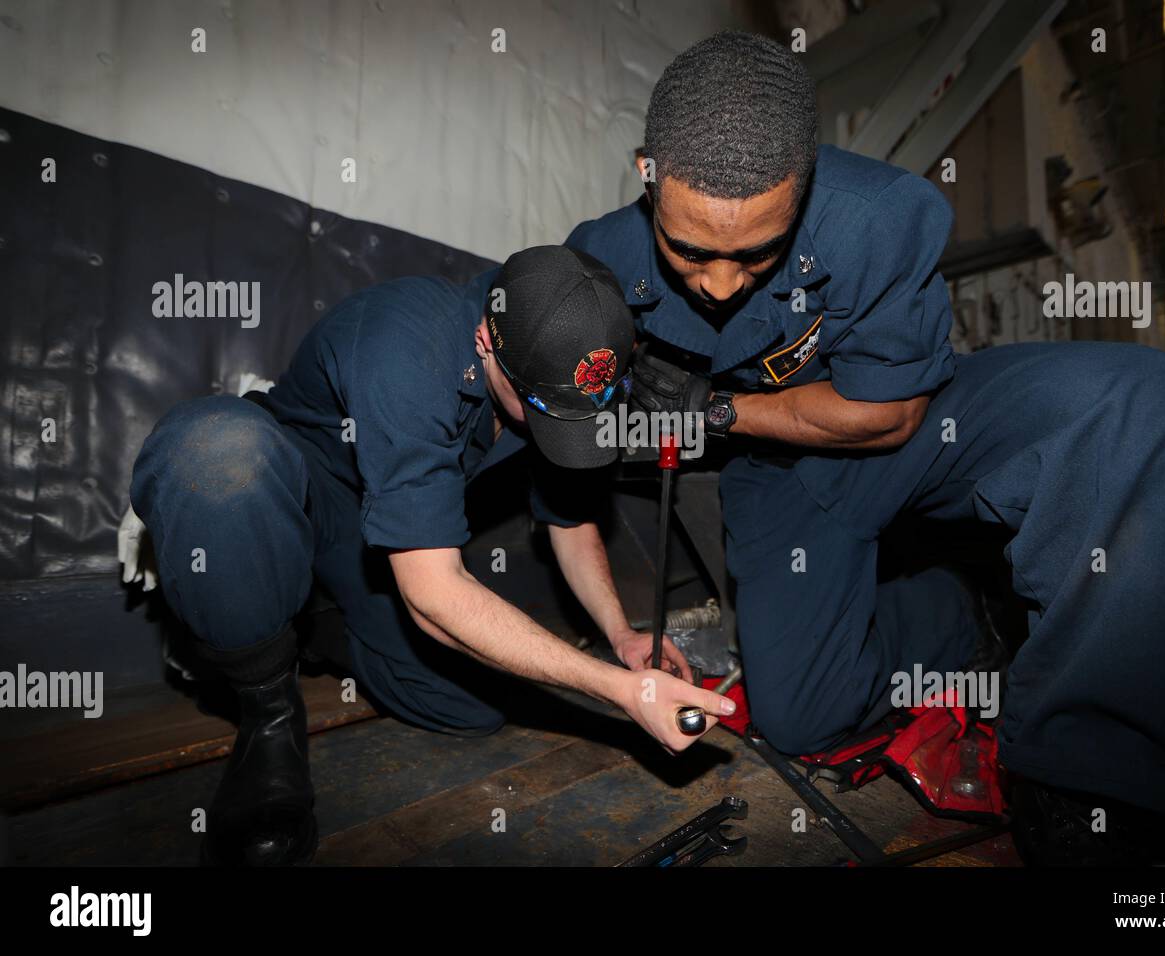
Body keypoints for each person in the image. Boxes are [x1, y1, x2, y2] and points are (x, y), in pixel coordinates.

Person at [566, 31, 1165, 865]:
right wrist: (626, 390)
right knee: (804, 718)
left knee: (1140, 399)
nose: (720, 284)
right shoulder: (600, 257)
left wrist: (714, 409)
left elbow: (890, 417)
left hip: (901, 433)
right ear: (646, 170)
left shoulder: (881, 215)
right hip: (778, 480)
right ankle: (951, 616)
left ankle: (1086, 779)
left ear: (804, 184)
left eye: (754, 252)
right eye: (691, 250)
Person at [125, 245, 733, 865]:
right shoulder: (407, 344)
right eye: (546, 413)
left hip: (378, 539)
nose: (556, 435)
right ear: (485, 341)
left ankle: (289, 628)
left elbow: (570, 519)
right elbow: (436, 597)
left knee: (470, 710)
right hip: (301, 501)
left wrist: (622, 636)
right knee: (218, 450)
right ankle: (261, 695)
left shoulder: (551, 353)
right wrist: (620, 691)